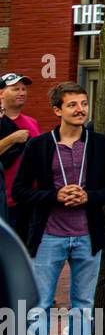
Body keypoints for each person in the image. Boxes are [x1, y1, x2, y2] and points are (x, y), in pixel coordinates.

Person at [13, 82, 105, 335]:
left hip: (88, 234)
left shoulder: (100, 145)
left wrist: (89, 196)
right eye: (72, 105)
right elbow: (20, 191)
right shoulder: (39, 146)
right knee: (39, 306)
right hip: (48, 235)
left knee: (83, 304)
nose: (80, 110)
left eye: (84, 104)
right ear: (57, 110)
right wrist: (53, 195)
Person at [1, 73, 41, 235]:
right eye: (15, 89)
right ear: (1, 93)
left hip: (29, 199)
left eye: (24, 89)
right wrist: (12, 138)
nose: (22, 92)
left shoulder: (32, 122)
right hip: (5, 202)